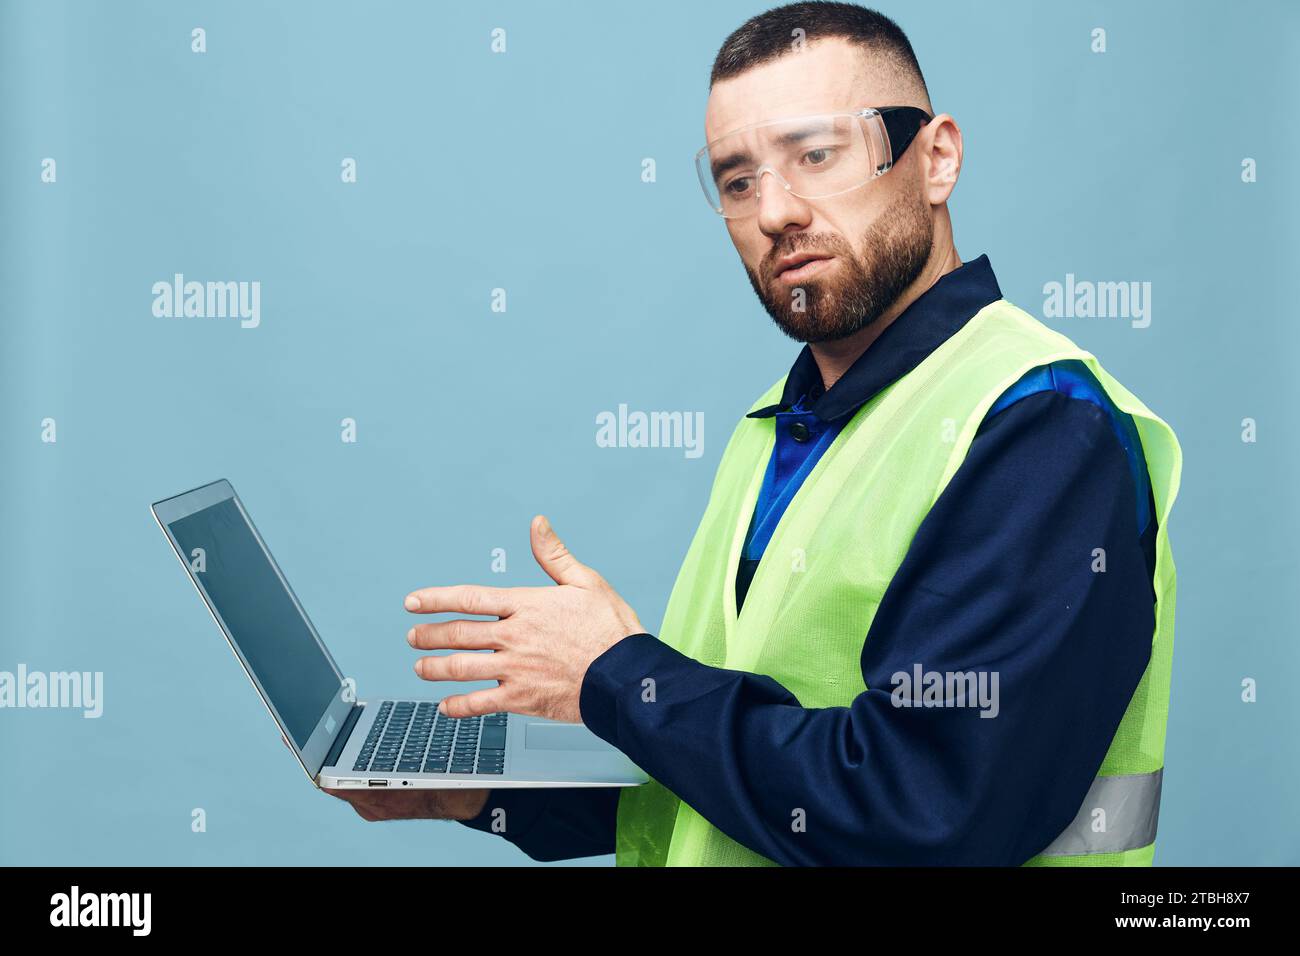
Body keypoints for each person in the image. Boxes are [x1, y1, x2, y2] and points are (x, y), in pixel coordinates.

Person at [328, 1, 1181, 867]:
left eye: (815, 155)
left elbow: (922, 810)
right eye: (738, 180)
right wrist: (491, 799)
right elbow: (738, 782)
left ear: (936, 158)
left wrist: (616, 673)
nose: (774, 211)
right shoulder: (781, 422)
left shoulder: (1040, 428)